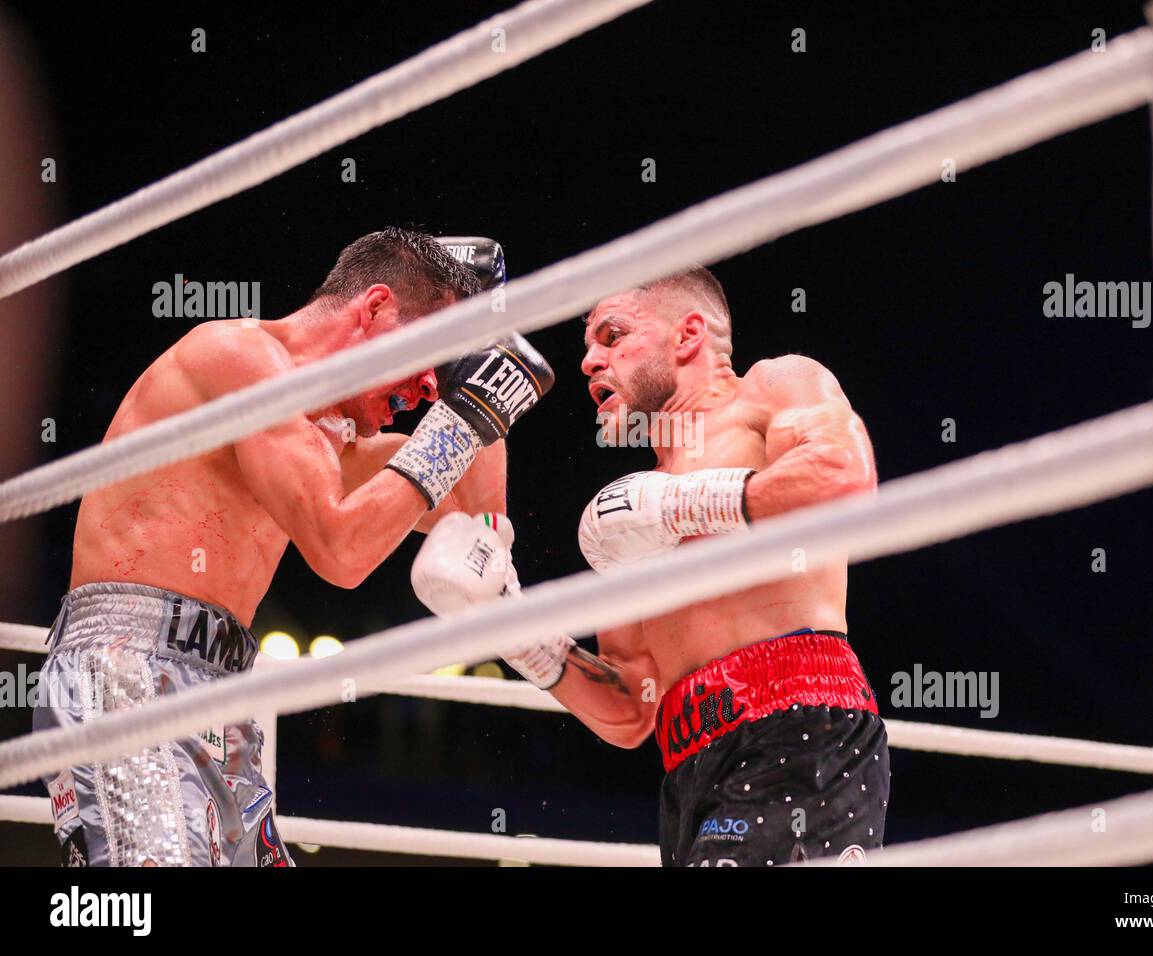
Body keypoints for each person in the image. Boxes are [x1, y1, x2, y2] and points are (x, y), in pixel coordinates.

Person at [35, 228, 553, 867]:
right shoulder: (235, 357)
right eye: (430, 359)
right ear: (375, 307)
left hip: (221, 688)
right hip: (127, 669)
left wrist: (477, 373)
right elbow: (341, 551)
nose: (428, 390)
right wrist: (460, 418)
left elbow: (474, 511)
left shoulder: (324, 442)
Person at [412, 266, 887, 867]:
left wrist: (678, 506)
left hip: (795, 726)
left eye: (611, 336)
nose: (588, 361)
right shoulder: (626, 518)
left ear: (688, 334)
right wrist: (511, 627)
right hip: (689, 764)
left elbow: (845, 479)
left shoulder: (770, 388)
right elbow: (631, 708)